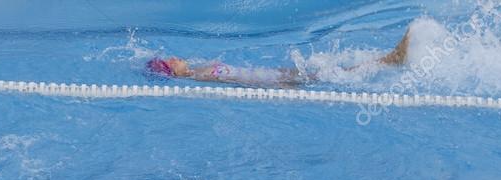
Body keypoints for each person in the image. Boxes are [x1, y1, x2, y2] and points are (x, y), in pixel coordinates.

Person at [146, 25, 411, 88]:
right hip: (271, 81)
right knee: (326, 76)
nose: (177, 57)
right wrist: (279, 85)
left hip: (274, 75)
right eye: (172, 60)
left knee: (324, 72)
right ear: (173, 71)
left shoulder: (200, 71)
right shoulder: (201, 75)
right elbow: (238, 81)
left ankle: (386, 60)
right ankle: (389, 60)